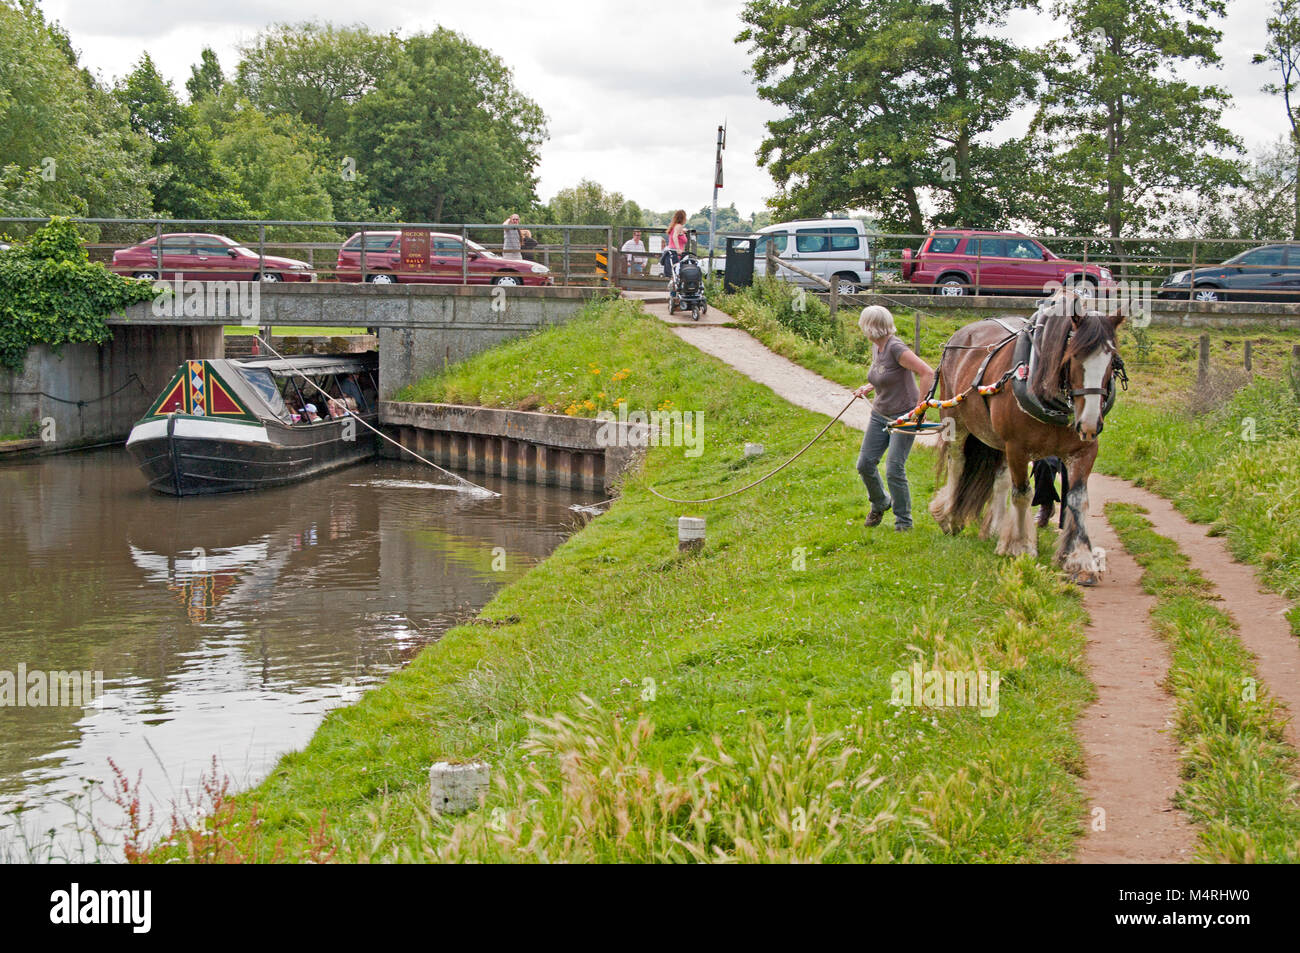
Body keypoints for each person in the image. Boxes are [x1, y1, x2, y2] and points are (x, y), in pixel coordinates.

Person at [853, 306, 934, 531]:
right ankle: (880, 502)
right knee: (865, 464)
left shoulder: (896, 347)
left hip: (903, 416)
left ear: (870, 326)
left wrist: (920, 408)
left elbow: (927, 372)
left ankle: (903, 523)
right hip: (880, 414)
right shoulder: (877, 347)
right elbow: (885, 373)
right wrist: (868, 387)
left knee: (894, 468)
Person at [661, 211, 687, 287]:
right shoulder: (679, 226)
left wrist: (683, 232)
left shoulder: (675, 226)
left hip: (671, 252)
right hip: (676, 253)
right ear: (683, 218)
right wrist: (678, 249)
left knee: (674, 277)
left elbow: (676, 234)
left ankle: (672, 296)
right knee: (678, 275)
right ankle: (675, 294)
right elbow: (674, 236)